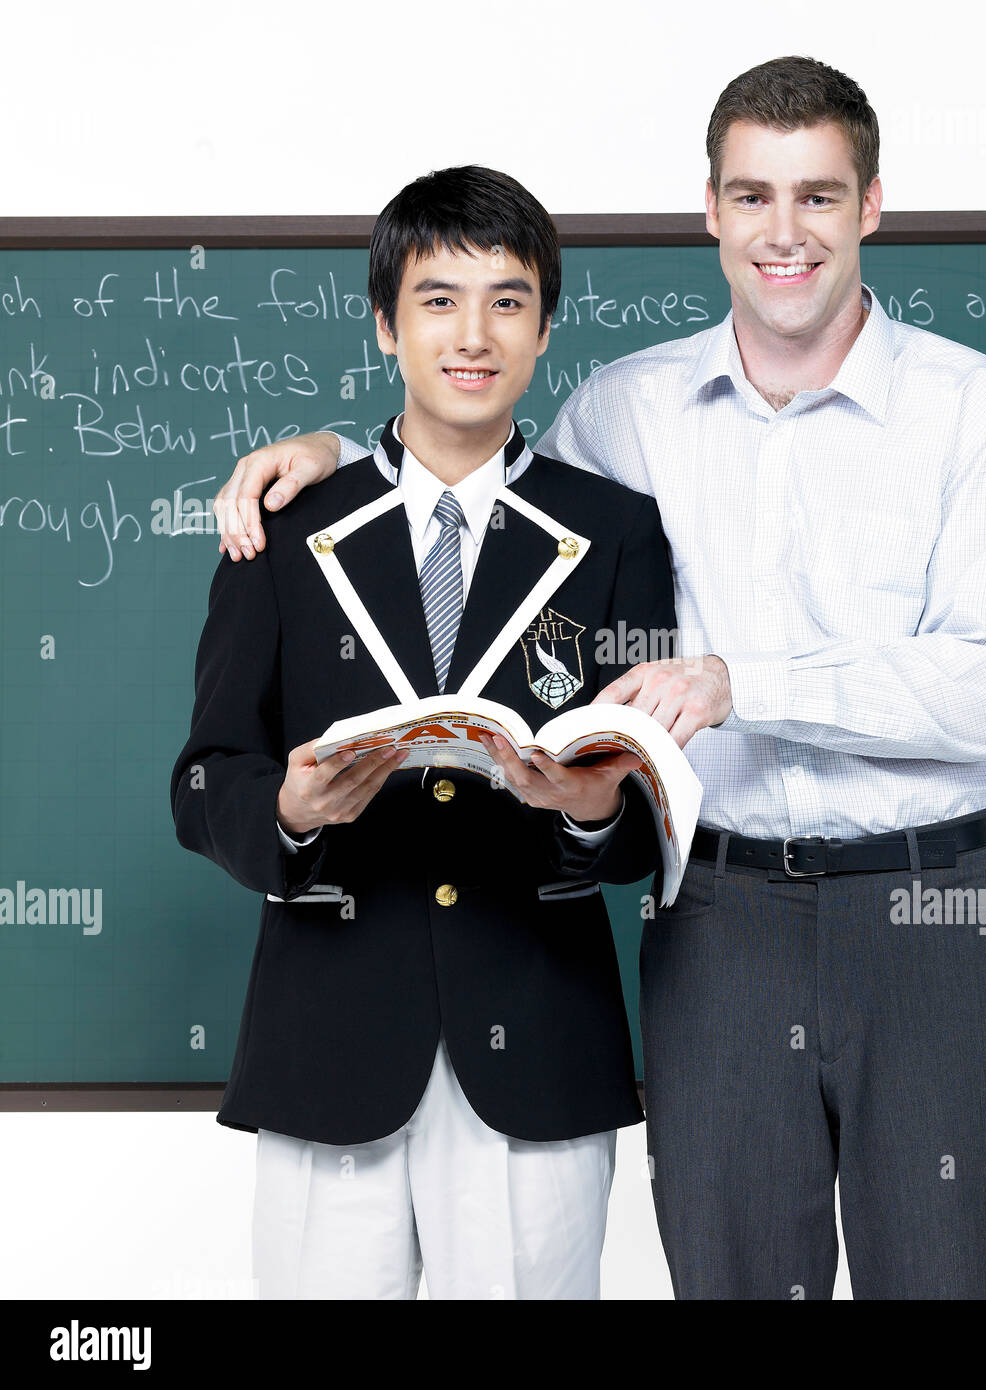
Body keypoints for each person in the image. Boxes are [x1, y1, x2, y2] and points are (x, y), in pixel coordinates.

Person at [211, 55, 986, 1300]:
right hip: (714, 917)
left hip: (931, 911)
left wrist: (736, 678)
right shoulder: (626, 409)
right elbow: (463, 466)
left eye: (817, 197)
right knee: (728, 1283)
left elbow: (985, 691)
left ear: (870, 206)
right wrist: (328, 450)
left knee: (946, 1281)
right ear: (708, 208)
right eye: (751, 196)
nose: (783, 233)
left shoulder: (979, 413)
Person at [171, 164, 676, 1300]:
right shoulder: (286, 519)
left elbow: (657, 809)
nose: (473, 333)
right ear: (384, 323)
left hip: (537, 1041)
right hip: (329, 1037)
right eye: (438, 298)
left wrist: (591, 807)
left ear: (544, 327)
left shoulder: (612, 531)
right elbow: (204, 776)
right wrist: (291, 811)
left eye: (507, 300)